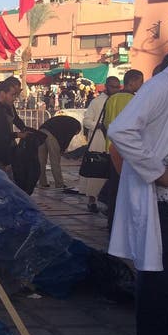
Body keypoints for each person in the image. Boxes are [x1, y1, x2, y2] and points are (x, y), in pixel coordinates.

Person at [108, 53, 168, 335]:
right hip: (163, 209)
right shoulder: (163, 86)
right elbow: (120, 131)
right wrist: (157, 171)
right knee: (158, 295)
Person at [103, 69, 144, 228]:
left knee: (113, 188)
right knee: (127, 189)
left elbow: (106, 124)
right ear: (132, 82)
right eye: (140, 81)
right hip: (127, 152)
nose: (141, 85)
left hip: (111, 148)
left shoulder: (111, 99)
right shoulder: (135, 100)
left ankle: (111, 221)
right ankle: (124, 224)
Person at [79, 75, 121, 212]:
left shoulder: (119, 101)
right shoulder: (97, 102)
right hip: (98, 140)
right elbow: (86, 120)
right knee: (96, 172)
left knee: (109, 173)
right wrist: (98, 126)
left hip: (113, 143)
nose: (115, 89)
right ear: (106, 87)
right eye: (113, 86)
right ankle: (92, 201)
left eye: (117, 87)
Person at [37, 115, 81, 190]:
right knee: (55, 161)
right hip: (51, 134)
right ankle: (59, 184)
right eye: (76, 134)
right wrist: (62, 150)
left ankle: (42, 183)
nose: (75, 135)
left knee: (41, 161)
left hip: (40, 132)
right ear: (78, 129)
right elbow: (67, 138)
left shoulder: (68, 120)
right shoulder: (74, 125)